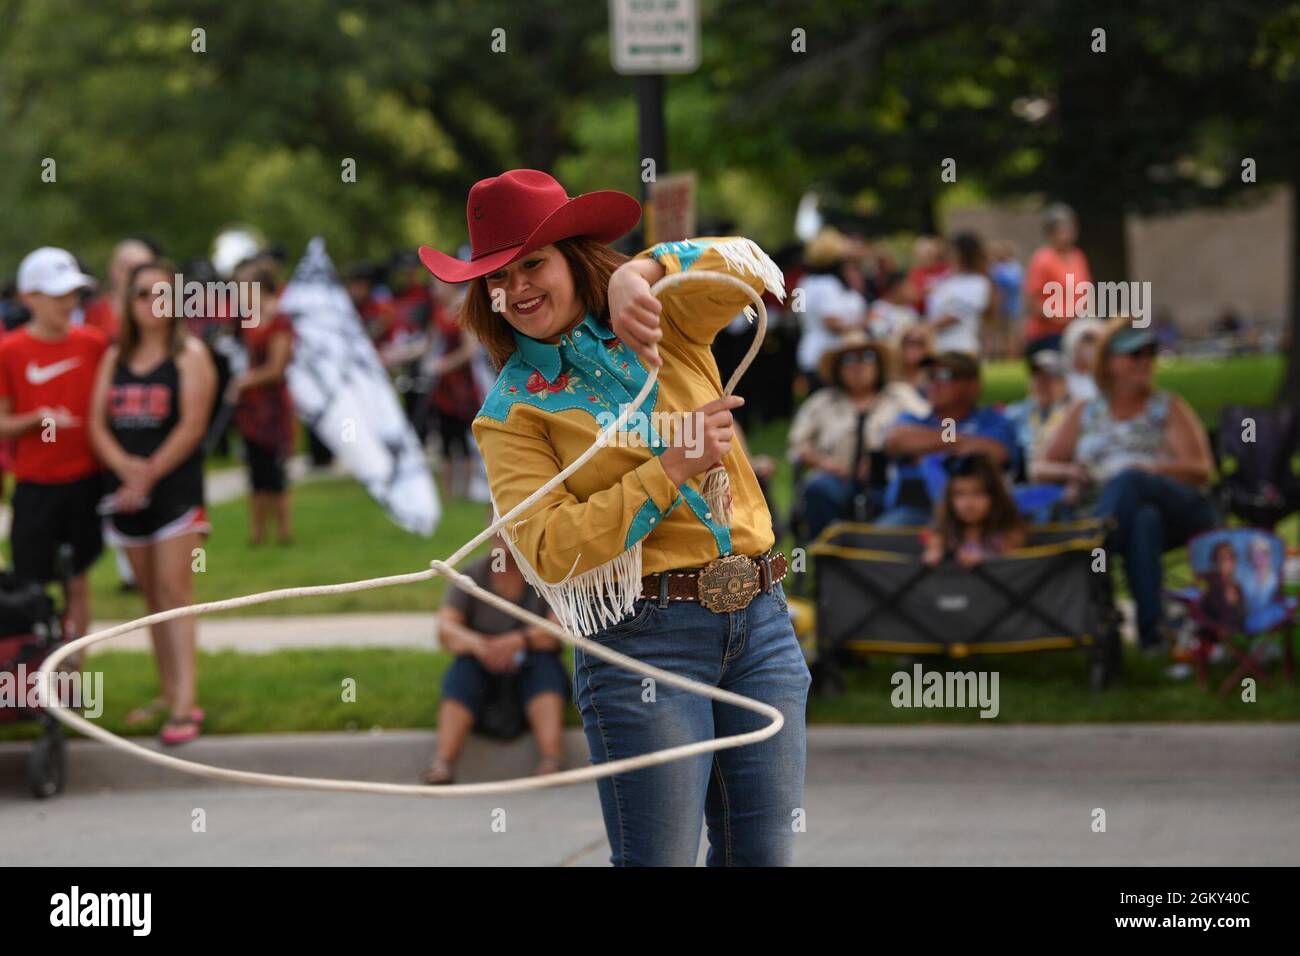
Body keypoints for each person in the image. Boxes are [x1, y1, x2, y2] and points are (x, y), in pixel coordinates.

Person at [418, 169, 809, 867]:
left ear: (574, 254)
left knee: (765, 856)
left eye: (532, 263)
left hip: (762, 620)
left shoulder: (661, 315)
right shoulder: (510, 414)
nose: (516, 290)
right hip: (644, 640)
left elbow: (748, 269)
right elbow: (549, 550)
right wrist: (669, 470)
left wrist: (644, 269)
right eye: (495, 279)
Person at [88, 260, 217, 744]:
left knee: (175, 594)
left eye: (163, 294)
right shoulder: (113, 355)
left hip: (175, 495)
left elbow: (192, 426)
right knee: (150, 601)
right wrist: (125, 469)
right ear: (129, 300)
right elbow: (97, 422)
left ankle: (187, 705)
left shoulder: (190, 354)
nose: (151, 304)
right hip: (126, 495)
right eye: (142, 293)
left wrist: (148, 474)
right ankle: (166, 693)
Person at [1033, 321, 1216, 652]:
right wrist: (1072, 472)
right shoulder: (1084, 411)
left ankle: (1090, 551)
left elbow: (1202, 469)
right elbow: (1040, 468)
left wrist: (1153, 470)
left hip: (1177, 506)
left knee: (1131, 481)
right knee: (1143, 521)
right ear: (1109, 363)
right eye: (1134, 354)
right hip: (1129, 516)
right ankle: (1153, 635)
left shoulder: (1167, 407)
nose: (1145, 360)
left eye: (1150, 353)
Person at [0, 248, 107, 654]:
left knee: (78, 578)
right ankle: (36, 671)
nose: (69, 303)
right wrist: (38, 418)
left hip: (85, 481)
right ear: (29, 297)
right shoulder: (9, 350)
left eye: (74, 293)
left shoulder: (94, 343)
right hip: (34, 485)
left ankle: (73, 673)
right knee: (32, 584)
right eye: (57, 294)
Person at [423, 534, 567, 785]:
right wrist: (482, 647)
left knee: (545, 669)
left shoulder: (545, 575)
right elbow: (446, 629)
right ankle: (442, 762)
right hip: (483, 663)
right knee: (462, 673)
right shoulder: (471, 575)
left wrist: (517, 641)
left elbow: (556, 631)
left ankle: (551, 760)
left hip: (531, 661)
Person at [788, 334, 928, 537]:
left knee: (907, 504)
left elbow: (929, 430)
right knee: (817, 488)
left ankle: (875, 556)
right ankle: (831, 555)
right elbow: (797, 444)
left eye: (868, 357)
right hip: (838, 481)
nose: (858, 366)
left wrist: (890, 455)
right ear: (838, 368)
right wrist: (827, 464)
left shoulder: (900, 395)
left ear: (879, 364)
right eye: (849, 360)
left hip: (891, 481)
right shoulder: (823, 401)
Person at [879, 351, 1017, 526]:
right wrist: (959, 443)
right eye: (930, 376)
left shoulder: (994, 420)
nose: (934, 383)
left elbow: (996, 452)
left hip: (980, 516)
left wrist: (928, 447)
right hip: (917, 511)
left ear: (972, 385)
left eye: (945, 375)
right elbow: (894, 440)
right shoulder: (911, 419)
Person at [227, 257, 295, 545]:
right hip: (252, 407)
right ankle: (257, 532)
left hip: (273, 406)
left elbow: (276, 369)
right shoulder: (249, 319)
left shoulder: (279, 320)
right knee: (255, 470)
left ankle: (283, 532)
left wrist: (243, 382)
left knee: (275, 472)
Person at [794, 227, 866, 392]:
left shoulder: (805, 282)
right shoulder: (828, 285)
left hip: (808, 351)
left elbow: (797, 311)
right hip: (827, 355)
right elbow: (831, 322)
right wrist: (863, 324)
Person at [922, 454, 1025, 567]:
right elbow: (932, 550)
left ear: (995, 497)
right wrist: (935, 554)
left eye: (978, 493)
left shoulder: (1010, 534)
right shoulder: (944, 534)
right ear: (949, 499)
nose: (968, 504)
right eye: (959, 494)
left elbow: (1011, 569)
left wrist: (985, 560)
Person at [1022, 203, 1093, 354]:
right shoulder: (1042, 260)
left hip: (1075, 332)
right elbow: (1033, 303)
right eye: (1061, 230)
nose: (1066, 234)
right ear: (1050, 233)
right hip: (1048, 335)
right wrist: (1061, 319)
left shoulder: (1078, 256)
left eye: (1069, 229)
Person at [925, 232, 992, 356]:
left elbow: (958, 314)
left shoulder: (977, 282)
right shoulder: (946, 279)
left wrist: (926, 327)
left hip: (961, 347)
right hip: (937, 345)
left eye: (952, 250)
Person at [1003, 349, 1069, 470]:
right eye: (1037, 378)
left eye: (1049, 379)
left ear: (1064, 383)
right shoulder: (1015, 413)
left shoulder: (1073, 413)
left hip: (1059, 472)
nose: (1042, 384)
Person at [82, 238, 154, 342]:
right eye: (125, 268)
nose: (132, 275)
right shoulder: (92, 312)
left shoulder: (161, 314)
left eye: (140, 269)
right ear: (112, 268)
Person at [865, 270, 919, 343]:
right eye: (907, 286)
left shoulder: (910, 310)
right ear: (897, 288)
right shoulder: (879, 308)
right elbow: (877, 334)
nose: (913, 289)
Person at [1061, 316, 1105, 401]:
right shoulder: (1061, 375)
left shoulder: (1107, 378)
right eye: (1088, 339)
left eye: (1097, 340)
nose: (1092, 345)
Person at [891, 323, 935, 397]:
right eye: (908, 342)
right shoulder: (890, 373)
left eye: (919, 343)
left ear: (928, 348)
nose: (913, 348)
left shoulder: (933, 377)